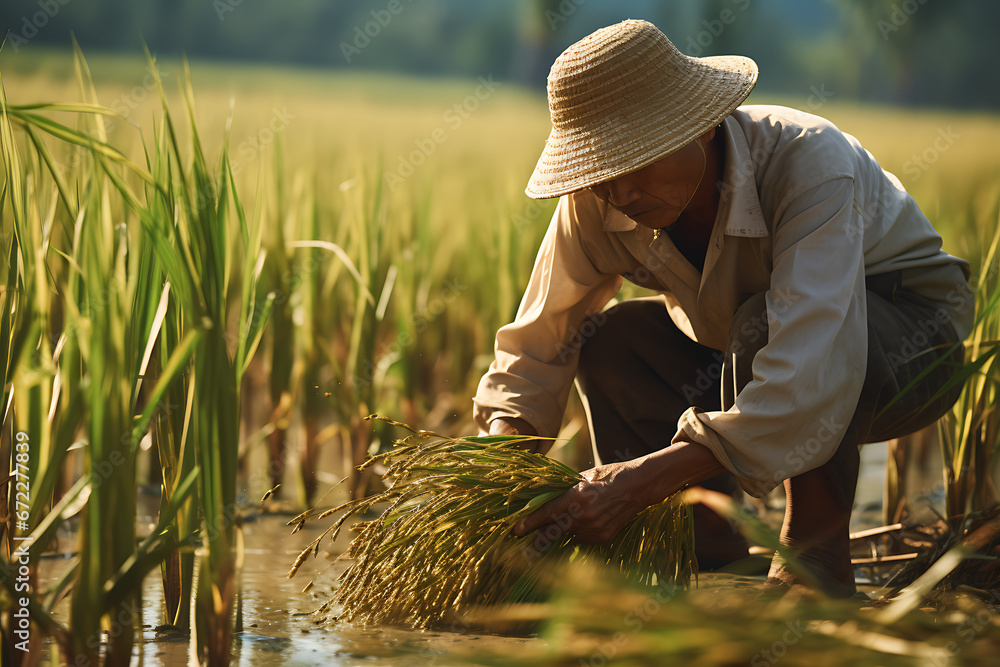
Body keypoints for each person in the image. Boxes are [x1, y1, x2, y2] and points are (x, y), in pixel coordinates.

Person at [472, 19, 974, 597]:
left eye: (636, 162)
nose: (621, 193)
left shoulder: (808, 163)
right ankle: (705, 549)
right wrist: (501, 468)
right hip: (746, 346)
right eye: (601, 172)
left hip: (911, 349)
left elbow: (807, 354)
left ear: (705, 127)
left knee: (764, 325)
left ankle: (815, 555)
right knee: (609, 341)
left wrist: (638, 482)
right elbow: (540, 339)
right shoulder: (599, 197)